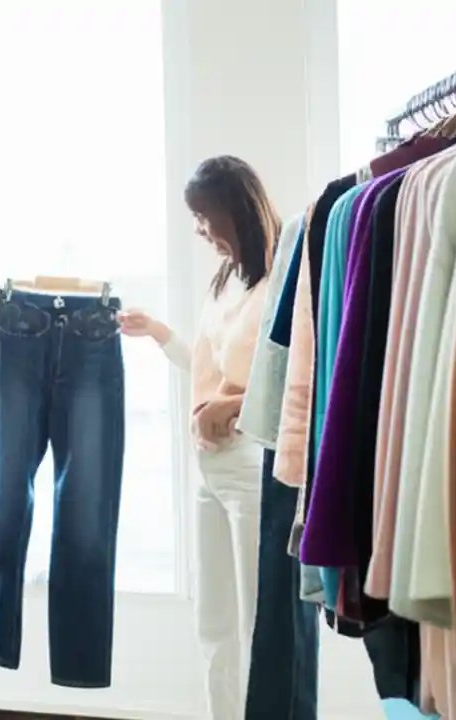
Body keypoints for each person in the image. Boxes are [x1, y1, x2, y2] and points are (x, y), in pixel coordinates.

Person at [119, 155, 277, 719]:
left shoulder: (281, 279)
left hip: (252, 466)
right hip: (209, 466)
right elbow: (207, 370)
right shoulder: (225, 281)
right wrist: (159, 333)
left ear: (236, 208)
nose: (200, 229)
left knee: (259, 620)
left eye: (204, 216)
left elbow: (298, 379)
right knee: (213, 622)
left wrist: (234, 405)